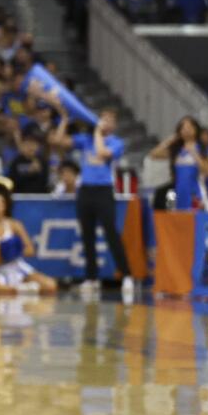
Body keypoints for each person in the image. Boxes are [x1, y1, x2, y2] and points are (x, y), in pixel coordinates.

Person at [75, 109, 134, 299]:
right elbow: (58, 141)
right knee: (87, 234)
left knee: (111, 232)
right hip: (85, 190)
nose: (105, 122)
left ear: (114, 125)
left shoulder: (116, 142)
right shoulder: (86, 139)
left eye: (110, 120)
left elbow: (102, 153)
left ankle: (126, 275)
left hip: (104, 190)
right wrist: (65, 118)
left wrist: (97, 132)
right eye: (103, 119)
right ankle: (91, 277)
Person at [0, 186, 56, 295]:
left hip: (15, 266)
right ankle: (17, 289)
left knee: (50, 285)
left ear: (4, 206)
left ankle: (14, 289)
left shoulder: (15, 225)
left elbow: (31, 250)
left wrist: (13, 251)